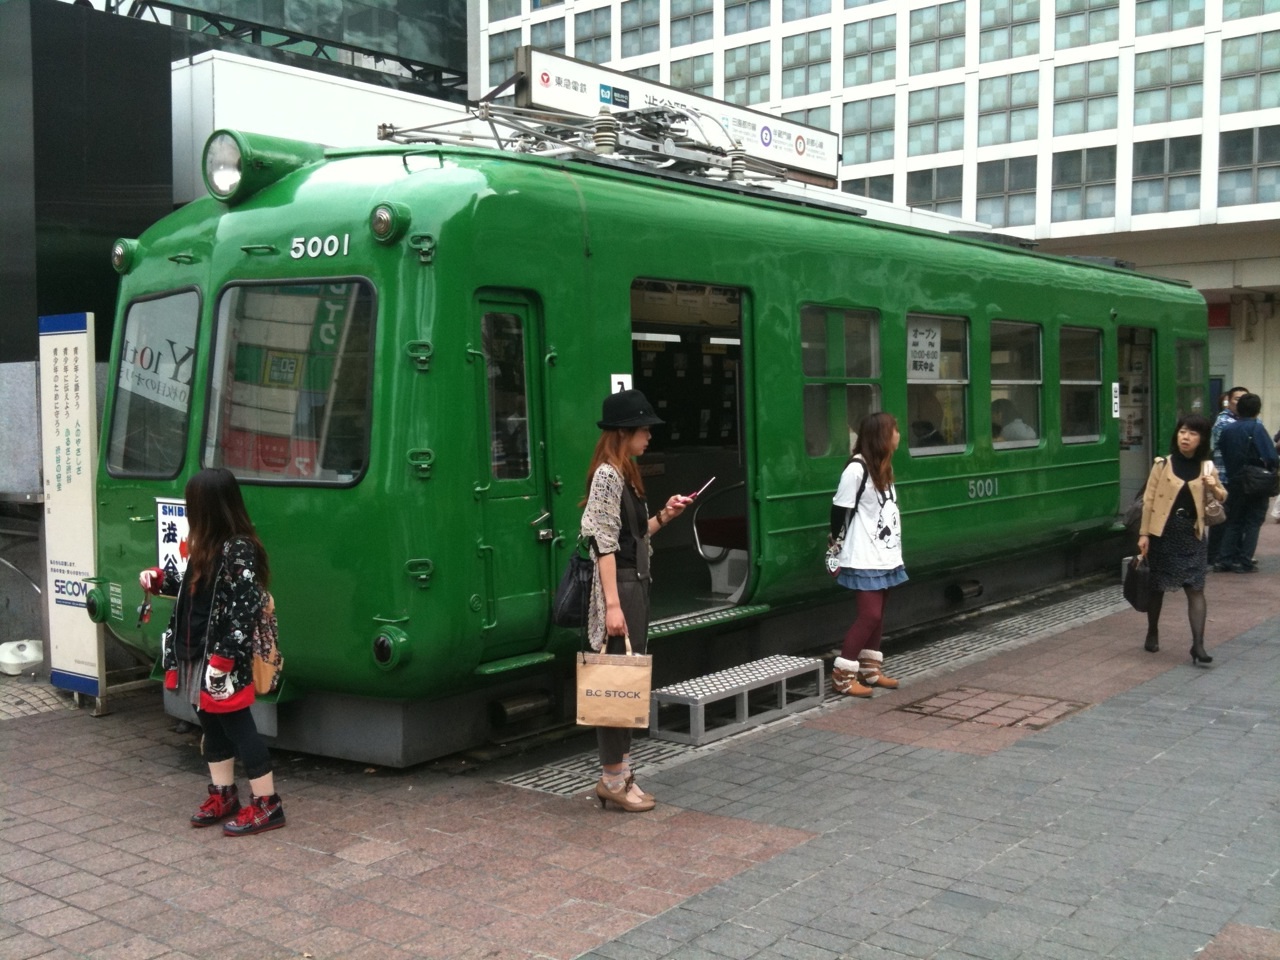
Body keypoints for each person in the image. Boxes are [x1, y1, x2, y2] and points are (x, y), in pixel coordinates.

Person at [139, 468, 284, 835]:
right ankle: (224, 793)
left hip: (218, 658)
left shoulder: (239, 548)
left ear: (208, 507)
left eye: (193, 503)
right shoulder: (206, 544)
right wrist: (159, 579)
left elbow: (244, 608)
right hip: (193, 652)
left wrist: (223, 661)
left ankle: (268, 805)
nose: (188, 510)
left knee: (239, 728)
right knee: (211, 724)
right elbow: (196, 589)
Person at [580, 389, 690, 812]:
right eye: (644, 430)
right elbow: (604, 544)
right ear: (624, 432)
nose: (649, 437)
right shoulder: (608, 476)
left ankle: (623, 774)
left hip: (634, 582)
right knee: (614, 681)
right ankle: (611, 778)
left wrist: (665, 515)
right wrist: (612, 606)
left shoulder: (624, 472)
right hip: (621, 587)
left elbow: (633, 535)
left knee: (626, 682)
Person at [829, 412, 908, 697]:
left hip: (884, 556)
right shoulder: (856, 470)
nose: (899, 435)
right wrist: (834, 550)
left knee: (879, 615)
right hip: (862, 556)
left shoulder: (882, 467)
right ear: (881, 436)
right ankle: (842, 678)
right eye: (894, 430)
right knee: (869, 615)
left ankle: (870, 672)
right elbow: (839, 512)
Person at [1136, 414, 1225, 666]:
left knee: (1195, 588)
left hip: (1192, 534)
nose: (1186, 437)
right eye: (1183, 432)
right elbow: (1149, 501)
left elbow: (1222, 495)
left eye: (1193, 434)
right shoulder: (1162, 464)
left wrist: (1214, 486)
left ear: (1202, 439)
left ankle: (1198, 645)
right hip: (1163, 532)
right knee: (1157, 586)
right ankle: (1152, 630)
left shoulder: (1207, 467)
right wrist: (1144, 534)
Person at [1215, 393, 1277, 573]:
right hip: (1255, 481)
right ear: (1257, 410)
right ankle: (1245, 560)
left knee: (1234, 520)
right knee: (1253, 521)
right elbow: (1270, 456)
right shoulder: (1257, 428)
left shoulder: (1228, 430)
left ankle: (1225, 558)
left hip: (1234, 479)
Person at [1208, 386, 1248, 564]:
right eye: (1237, 399)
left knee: (1236, 518)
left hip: (1238, 477)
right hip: (1224, 477)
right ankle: (1214, 555)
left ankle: (1230, 553)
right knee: (1221, 518)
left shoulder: (1243, 421)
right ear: (1228, 401)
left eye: (1244, 399)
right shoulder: (1224, 421)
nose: (1240, 403)